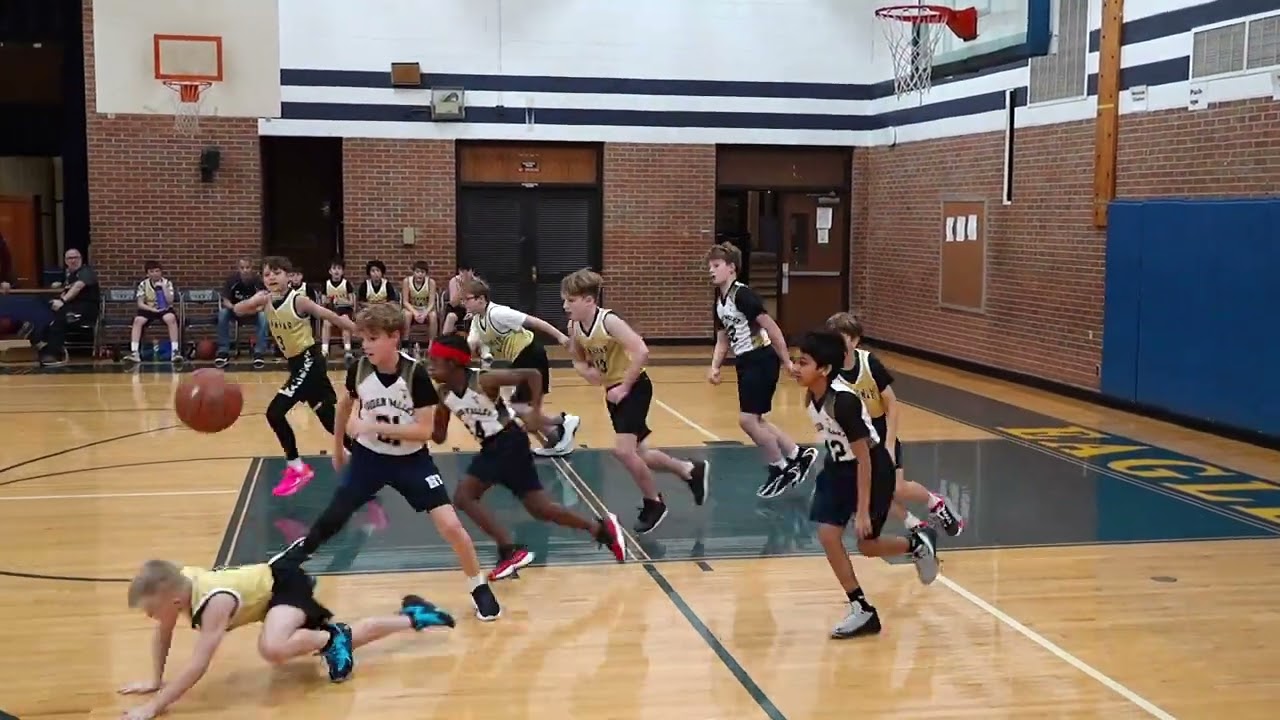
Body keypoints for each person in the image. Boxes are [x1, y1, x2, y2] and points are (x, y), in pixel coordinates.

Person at [270, 303, 502, 621]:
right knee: (332, 518)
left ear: (394, 337)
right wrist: (339, 449)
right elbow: (343, 407)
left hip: (411, 461)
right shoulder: (359, 369)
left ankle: (478, 587)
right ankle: (289, 562)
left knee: (451, 526)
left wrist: (372, 426)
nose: (365, 344)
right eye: (363, 337)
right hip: (369, 458)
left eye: (372, 337)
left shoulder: (415, 374)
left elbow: (424, 431)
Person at [117, 557, 455, 719]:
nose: (151, 618)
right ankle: (413, 616)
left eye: (150, 611)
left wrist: (155, 707)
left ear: (174, 602)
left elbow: (199, 664)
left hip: (285, 585)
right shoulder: (180, 584)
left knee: (273, 648)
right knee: (339, 637)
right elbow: (162, 634)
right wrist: (154, 680)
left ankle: (329, 640)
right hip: (269, 600)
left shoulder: (213, 603)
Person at [427, 334, 626, 580]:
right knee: (541, 509)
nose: (430, 366)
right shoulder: (443, 394)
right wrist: (411, 423)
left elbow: (533, 375)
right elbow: (438, 436)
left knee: (464, 496)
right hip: (499, 446)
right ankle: (601, 529)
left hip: (507, 440)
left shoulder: (483, 379)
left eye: (434, 361)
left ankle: (510, 550)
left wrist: (535, 411)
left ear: (453, 363)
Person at [793, 330, 940, 639]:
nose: (795, 367)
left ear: (824, 369)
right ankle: (861, 608)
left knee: (866, 545)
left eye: (802, 362)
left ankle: (916, 543)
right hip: (837, 469)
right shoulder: (812, 392)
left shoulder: (842, 402)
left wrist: (861, 511)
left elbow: (865, 460)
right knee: (827, 534)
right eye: (796, 361)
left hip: (872, 471)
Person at [561, 268, 709, 534]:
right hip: (613, 391)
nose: (565, 305)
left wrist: (624, 387)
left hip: (634, 387)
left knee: (624, 451)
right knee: (642, 454)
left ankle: (655, 503)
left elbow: (641, 351)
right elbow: (580, 359)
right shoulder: (574, 326)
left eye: (570, 300)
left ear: (589, 300)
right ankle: (689, 470)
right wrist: (584, 369)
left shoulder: (609, 322)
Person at [826, 312, 964, 536]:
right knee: (869, 494)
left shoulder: (868, 363)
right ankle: (914, 524)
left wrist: (889, 444)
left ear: (854, 340)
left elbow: (891, 405)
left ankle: (935, 502)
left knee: (896, 489)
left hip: (880, 432)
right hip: (854, 438)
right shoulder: (829, 370)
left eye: (839, 338)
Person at [232, 256, 358, 497]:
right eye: (266, 274)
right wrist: (252, 300)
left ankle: (296, 467)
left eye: (276, 273)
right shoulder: (265, 300)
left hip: (309, 360)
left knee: (274, 412)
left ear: (289, 277)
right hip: (297, 364)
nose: (271, 277)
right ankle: (365, 462)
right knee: (329, 420)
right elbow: (237, 310)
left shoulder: (298, 300)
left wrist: (360, 330)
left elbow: (329, 316)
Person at [705, 242, 818, 498]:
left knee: (747, 421)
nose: (711, 271)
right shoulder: (720, 303)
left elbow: (771, 327)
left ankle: (780, 468)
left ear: (732, 268)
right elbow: (723, 338)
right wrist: (714, 366)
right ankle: (797, 454)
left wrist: (787, 360)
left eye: (716, 266)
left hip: (761, 358)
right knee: (756, 420)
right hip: (745, 361)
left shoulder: (743, 295)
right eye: (709, 266)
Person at [461, 276, 581, 457]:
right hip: (519, 361)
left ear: (481, 299)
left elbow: (534, 322)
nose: (464, 304)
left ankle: (563, 422)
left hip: (531, 355)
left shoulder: (498, 313)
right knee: (522, 409)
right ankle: (556, 434)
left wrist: (560, 337)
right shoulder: (477, 321)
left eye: (467, 299)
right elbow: (471, 343)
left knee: (518, 407)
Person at [27, 247, 100, 367]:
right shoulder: (69, 276)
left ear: (81, 259)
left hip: (86, 310)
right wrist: (57, 298)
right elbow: (67, 291)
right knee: (47, 312)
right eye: (70, 258)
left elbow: (77, 287)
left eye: (75, 258)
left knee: (59, 320)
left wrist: (62, 301)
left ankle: (52, 354)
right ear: (65, 261)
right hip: (70, 308)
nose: (73, 261)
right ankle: (39, 340)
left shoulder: (86, 271)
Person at [124, 261, 181, 365]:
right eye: (152, 271)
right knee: (138, 320)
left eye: (157, 271)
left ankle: (175, 351)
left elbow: (170, 301)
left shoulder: (167, 283)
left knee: (171, 318)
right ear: (147, 274)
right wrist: (152, 310)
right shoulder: (143, 284)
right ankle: (134, 352)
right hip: (149, 308)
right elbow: (140, 304)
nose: (155, 273)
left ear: (161, 272)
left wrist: (163, 288)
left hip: (164, 308)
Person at [216, 258, 270, 368]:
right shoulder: (232, 280)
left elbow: (264, 302)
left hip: (254, 312)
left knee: (264, 316)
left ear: (252, 268)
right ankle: (224, 351)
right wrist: (235, 308)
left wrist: (251, 310)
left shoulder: (258, 281)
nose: (245, 270)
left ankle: (259, 352)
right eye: (242, 268)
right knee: (222, 314)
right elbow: (225, 301)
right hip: (235, 312)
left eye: (247, 267)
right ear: (238, 269)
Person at [320, 259, 356, 363]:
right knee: (326, 323)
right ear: (330, 271)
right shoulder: (326, 284)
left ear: (342, 271)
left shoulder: (347, 284)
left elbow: (351, 302)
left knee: (344, 322)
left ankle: (348, 350)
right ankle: (325, 350)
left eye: (339, 268)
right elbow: (322, 302)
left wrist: (341, 300)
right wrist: (329, 300)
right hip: (331, 311)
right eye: (334, 268)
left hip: (344, 311)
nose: (336, 271)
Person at [401, 260, 438, 348]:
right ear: (413, 272)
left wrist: (425, 313)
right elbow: (405, 301)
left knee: (433, 315)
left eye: (422, 272)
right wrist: (415, 313)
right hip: (412, 308)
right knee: (407, 315)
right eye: (417, 272)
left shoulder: (431, 282)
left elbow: (431, 302)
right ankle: (405, 343)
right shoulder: (406, 281)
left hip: (425, 308)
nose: (420, 274)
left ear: (426, 274)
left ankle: (431, 344)